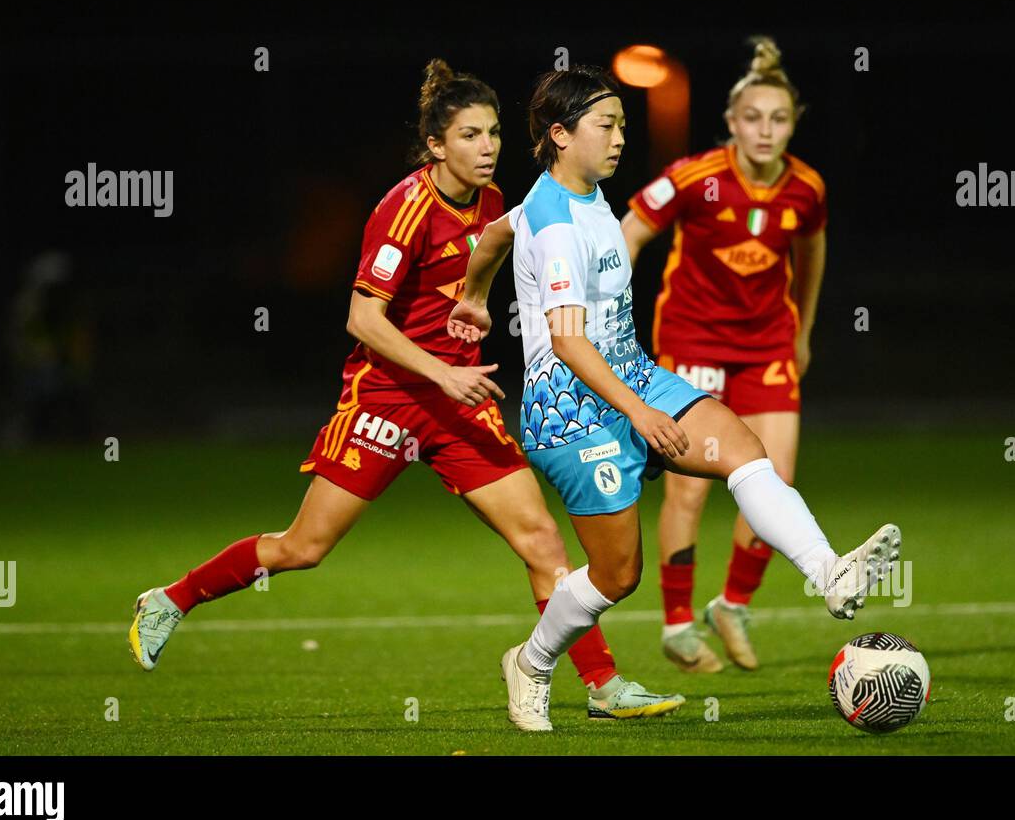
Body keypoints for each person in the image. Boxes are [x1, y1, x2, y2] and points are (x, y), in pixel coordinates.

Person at [128, 59, 684, 724]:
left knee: (543, 543)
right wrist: (442, 369)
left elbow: (499, 244)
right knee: (304, 548)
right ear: (436, 145)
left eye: (495, 134)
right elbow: (362, 320)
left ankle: (602, 685)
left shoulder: (489, 200)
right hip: (387, 398)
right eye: (472, 136)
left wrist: (477, 304)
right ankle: (171, 599)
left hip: (457, 406)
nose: (488, 148)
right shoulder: (404, 208)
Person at [449, 65, 898, 731]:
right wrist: (638, 412)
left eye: (623, 124)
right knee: (616, 574)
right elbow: (569, 344)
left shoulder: (572, 192)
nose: (620, 138)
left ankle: (827, 571)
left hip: (631, 374)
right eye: (607, 125)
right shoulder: (556, 223)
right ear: (561, 133)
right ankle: (533, 662)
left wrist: (475, 296)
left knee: (743, 448)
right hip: (571, 410)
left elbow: (494, 233)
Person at [622, 37, 827, 672]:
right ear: (732, 123)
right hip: (692, 343)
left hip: (766, 345)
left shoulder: (806, 188)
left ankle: (732, 603)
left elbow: (811, 253)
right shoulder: (695, 178)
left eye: (779, 119)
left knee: (778, 481)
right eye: (753, 118)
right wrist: (611, 328)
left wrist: (804, 331)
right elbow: (628, 236)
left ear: (792, 124)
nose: (766, 130)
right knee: (688, 493)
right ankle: (678, 624)